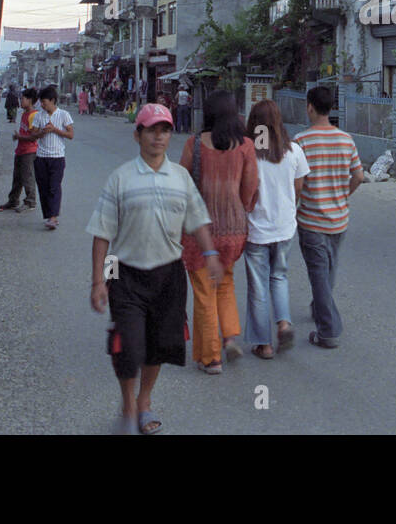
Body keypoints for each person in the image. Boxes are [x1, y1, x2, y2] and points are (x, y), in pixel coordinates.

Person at [88, 104, 224, 435]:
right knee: (128, 345)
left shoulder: (180, 177)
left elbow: (198, 218)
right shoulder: (120, 178)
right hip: (123, 271)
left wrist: (210, 253)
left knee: (159, 344)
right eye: (151, 130)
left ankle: (144, 402)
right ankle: (128, 403)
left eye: (164, 130)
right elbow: (103, 233)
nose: (159, 137)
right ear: (138, 135)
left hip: (168, 273)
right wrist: (98, 282)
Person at [178, 89, 258, 374]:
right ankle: (231, 336)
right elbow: (250, 190)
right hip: (235, 231)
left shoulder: (194, 144)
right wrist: (240, 209)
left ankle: (211, 357)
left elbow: (181, 184)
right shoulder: (247, 146)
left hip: (201, 232)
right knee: (225, 283)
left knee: (203, 292)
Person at [294, 86, 362, 349]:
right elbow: (358, 176)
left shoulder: (301, 141)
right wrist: (343, 196)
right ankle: (319, 307)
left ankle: (328, 331)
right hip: (339, 219)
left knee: (319, 274)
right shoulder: (346, 139)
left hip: (311, 220)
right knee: (329, 269)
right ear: (331, 108)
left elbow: (296, 182)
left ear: (310, 106)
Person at [243, 100, 309, 359]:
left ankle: (264, 345)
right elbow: (299, 187)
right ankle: (283, 323)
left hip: (257, 229)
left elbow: (244, 191)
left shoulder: (249, 153)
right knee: (279, 276)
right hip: (284, 227)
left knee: (258, 285)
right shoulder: (293, 151)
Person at [31, 86, 74, 230]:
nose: (42, 105)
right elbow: (33, 135)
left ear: (52, 100)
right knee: (43, 187)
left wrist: (54, 129)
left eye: (44, 102)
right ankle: (49, 215)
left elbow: (70, 135)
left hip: (57, 157)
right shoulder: (39, 115)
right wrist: (43, 132)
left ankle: (53, 217)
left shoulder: (63, 115)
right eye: (41, 102)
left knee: (54, 186)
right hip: (41, 157)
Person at [0, 88, 39, 213]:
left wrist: (20, 137)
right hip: (20, 150)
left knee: (27, 177)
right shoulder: (24, 114)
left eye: (23, 99)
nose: (20, 101)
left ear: (30, 100)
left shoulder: (33, 115)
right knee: (17, 177)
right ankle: (13, 200)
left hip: (29, 151)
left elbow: (34, 136)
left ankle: (30, 201)